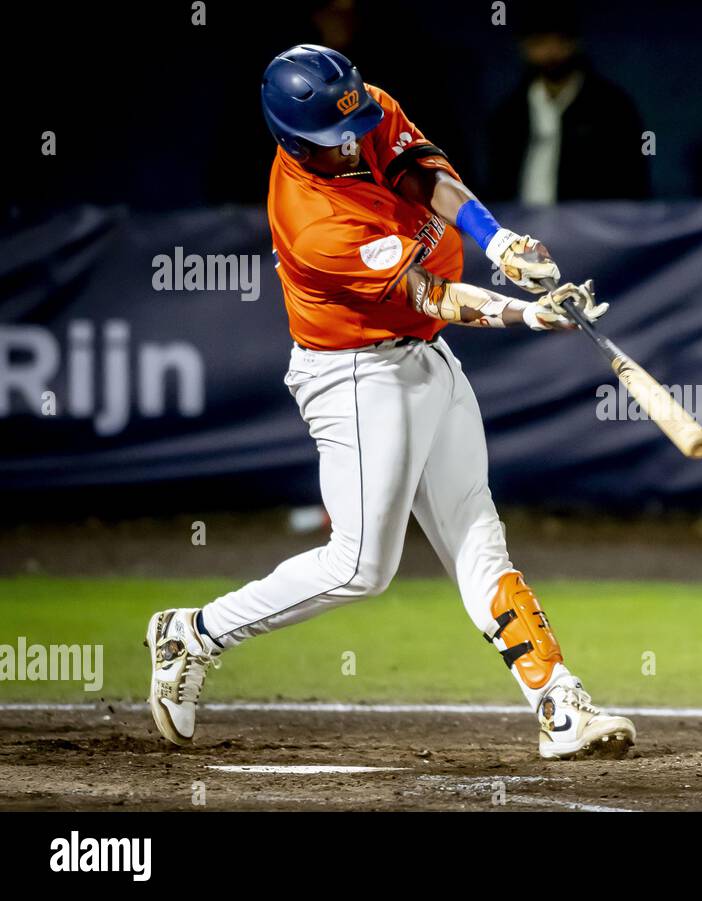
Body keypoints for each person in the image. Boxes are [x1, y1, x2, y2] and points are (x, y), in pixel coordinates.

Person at [145, 44, 635, 760]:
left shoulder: (356, 105)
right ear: (293, 140)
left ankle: (558, 701)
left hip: (424, 356)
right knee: (360, 567)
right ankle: (191, 633)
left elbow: (421, 171)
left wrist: (497, 241)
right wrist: (528, 314)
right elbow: (429, 293)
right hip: (354, 374)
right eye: (334, 143)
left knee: (478, 537)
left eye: (355, 129)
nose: (352, 146)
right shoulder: (313, 221)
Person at [485, 7, 649, 203]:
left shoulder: (611, 107)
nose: (550, 52)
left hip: (593, 227)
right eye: (539, 43)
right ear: (524, 47)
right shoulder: (509, 113)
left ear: (575, 43)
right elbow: (497, 181)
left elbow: (632, 183)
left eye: (559, 41)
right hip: (519, 227)